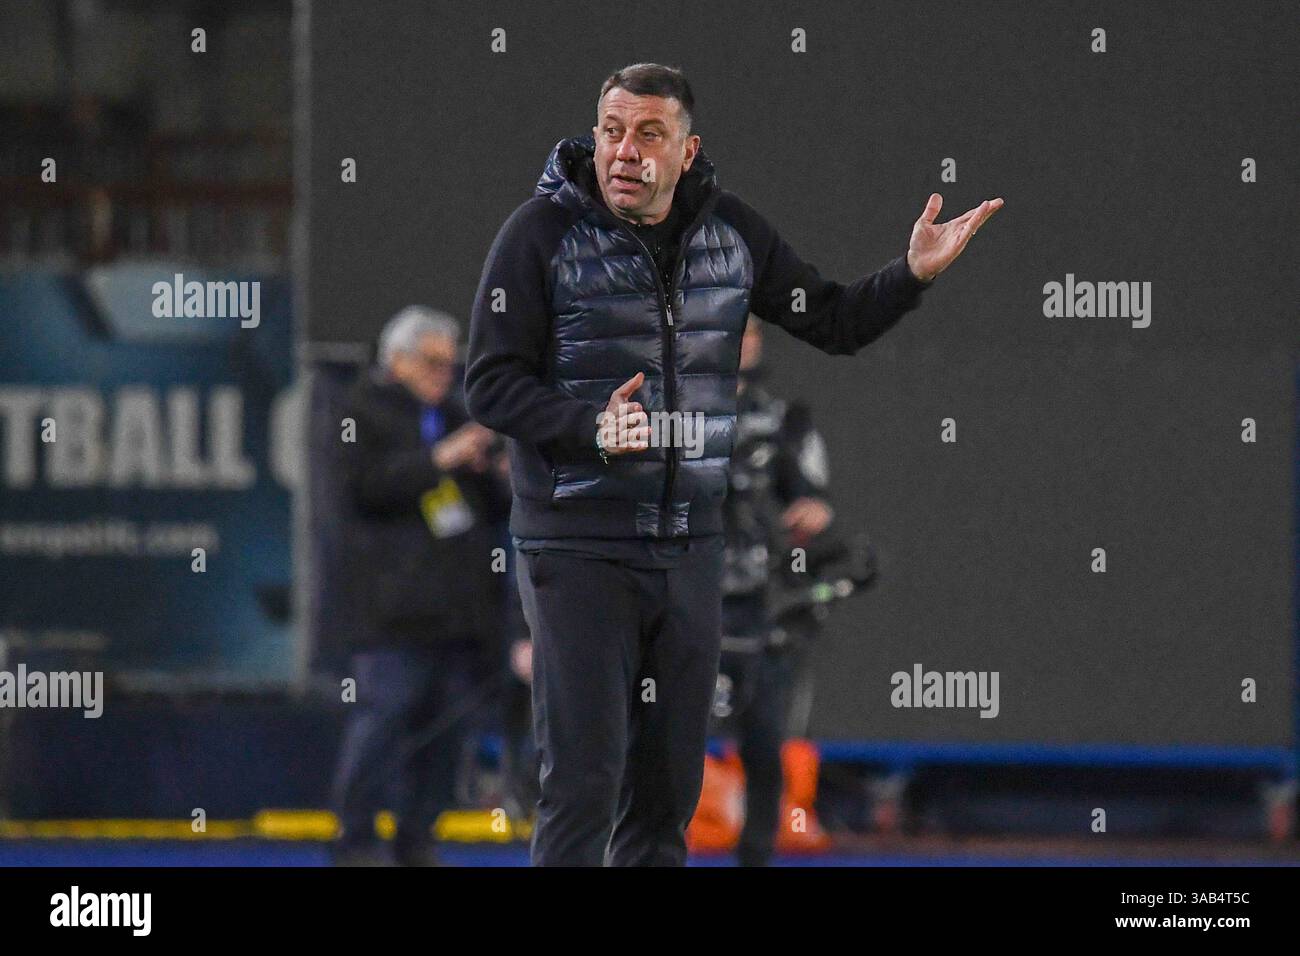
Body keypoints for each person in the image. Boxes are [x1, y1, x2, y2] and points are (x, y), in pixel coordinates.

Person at [465, 63, 1002, 866]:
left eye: (649, 134)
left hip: (690, 548)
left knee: (665, 793)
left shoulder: (732, 232)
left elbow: (833, 320)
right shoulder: (537, 235)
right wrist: (589, 427)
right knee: (583, 781)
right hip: (576, 548)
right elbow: (490, 384)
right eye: (612, 130)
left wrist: (912, 274)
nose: (624, 151)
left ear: (688, 149)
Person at [331, 306, 508, 866]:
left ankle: (416, 838)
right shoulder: (361, 411)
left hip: (458, 614)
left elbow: (496, 511)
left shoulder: (457, 414)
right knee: (381, 727)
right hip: (393, 613)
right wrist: (439, 459)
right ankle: (356, 841)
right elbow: (365, 490)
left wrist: (491, 470)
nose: (442, 374)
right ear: (397, 359)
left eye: (449, 364)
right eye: (431, 362)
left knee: (443, 736)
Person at [714, 317, 835, 866]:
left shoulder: (783, 419)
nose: (747, 343)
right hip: (689, 599)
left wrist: (810, 511)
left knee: (764, 737)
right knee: (666, 736)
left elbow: (809, 497)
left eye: (754, 333)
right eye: (734, 331)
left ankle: (756, 854)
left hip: (760, 602)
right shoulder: (670, 415)